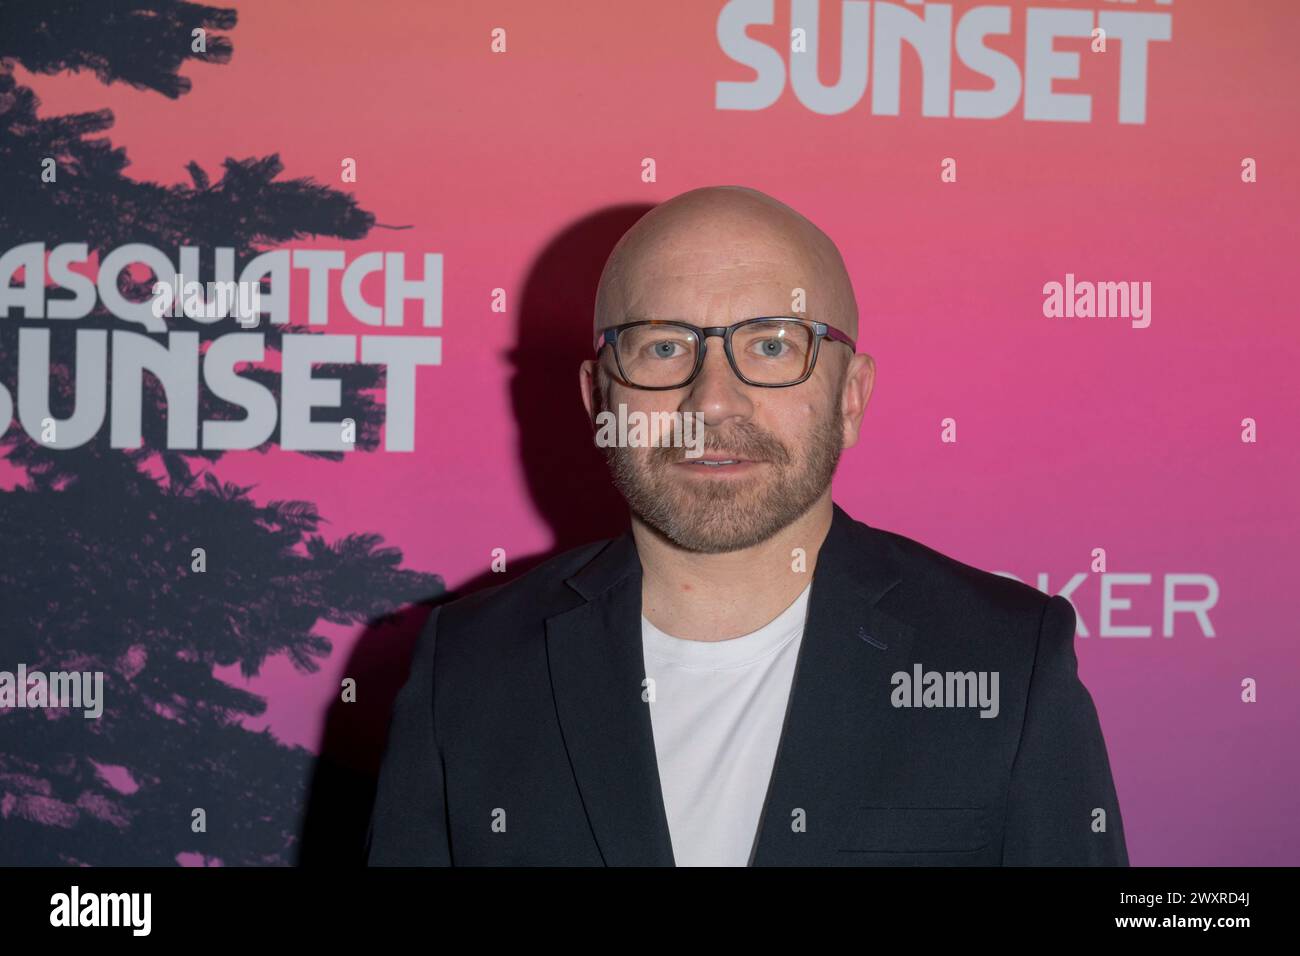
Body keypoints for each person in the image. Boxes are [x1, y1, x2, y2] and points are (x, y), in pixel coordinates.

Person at [366, 185, 1128, 866]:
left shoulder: (1004, 662)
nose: (713, 404)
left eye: (771, 345)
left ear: (851, 397)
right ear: (600, 400)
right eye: (664, 347)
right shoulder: (465, 672)